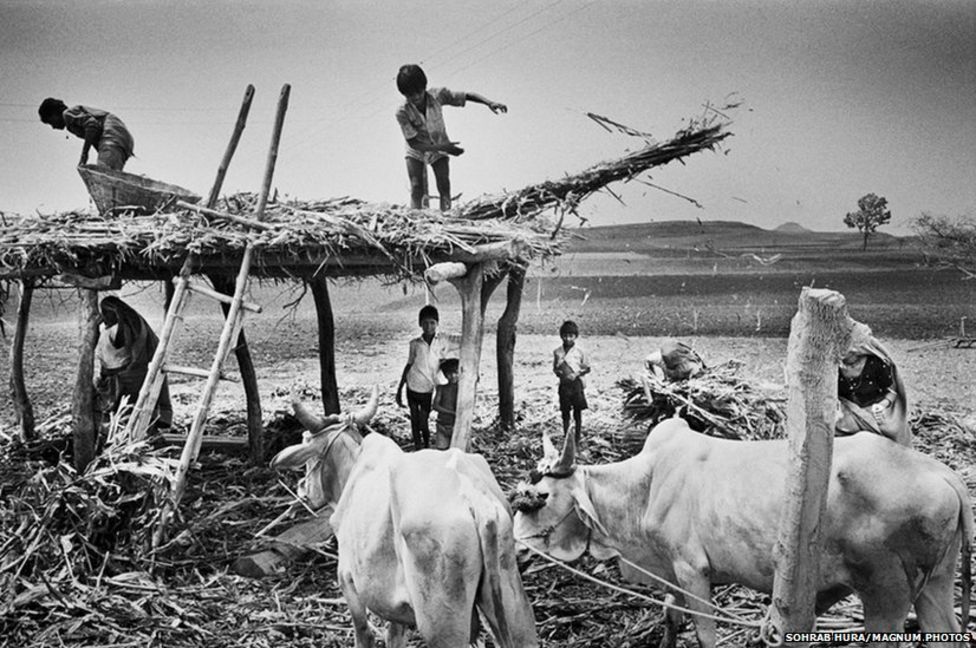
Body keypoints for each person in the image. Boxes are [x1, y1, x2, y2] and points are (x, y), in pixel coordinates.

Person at [395, 63, 507, 211]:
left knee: (444, 184)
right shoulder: (402, 111)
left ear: (424, 87)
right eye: (410, 95)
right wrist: (445, 148)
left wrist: (489, 103)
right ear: (404, 94)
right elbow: (414, 143)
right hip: (417, 149)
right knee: (417, 187)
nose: (415, 97)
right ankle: (415, 218)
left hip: (440, 145)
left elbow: (466, 96)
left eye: (418, 92)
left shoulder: (437, 95)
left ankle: (446, 216)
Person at [93, 296, 172, 432]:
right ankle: (143, 433)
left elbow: (112, 357)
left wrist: (95, 326)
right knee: (143, 406)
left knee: (122, 408)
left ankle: (125, 435)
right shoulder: (136, 322)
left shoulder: (117, 330)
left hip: (129, 375)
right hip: (143, 370)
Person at [396, 305, 460, 450]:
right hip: (412, 385)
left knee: (423, 422)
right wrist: (399, 389)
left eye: (432, 322)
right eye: (425, 323)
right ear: (420, 324)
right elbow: (409, 364)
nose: (428, 326)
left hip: (427, 389)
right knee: (414, 419)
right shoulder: (415, 344)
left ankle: (425, 446)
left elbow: (463, 342)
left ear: (437, 323)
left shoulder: (443, 340)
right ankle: (418, 446)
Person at [835, 323, 909, 446]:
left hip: (875, 407)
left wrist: (882, 406)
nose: (842, 355)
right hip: (848, 409)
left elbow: (891, 392)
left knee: (889, 430)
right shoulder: (835, 366)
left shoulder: (876, 364)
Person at [38, 98, 134, 171]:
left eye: (51, 122)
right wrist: (102, 155)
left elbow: (92, 126)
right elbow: (94, 137)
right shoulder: (72, 121)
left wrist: (84, 155)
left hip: (112, 132)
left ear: (54, 114)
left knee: (103, 174)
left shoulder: (67, 114)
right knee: (110, 173)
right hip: (120, 136)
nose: (53, 127)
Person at [553, 320, 591, 446]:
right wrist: (559, 372)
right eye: (565, 336)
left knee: (577, 411)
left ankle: (577, 438)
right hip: (564, 384)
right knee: (565, 412)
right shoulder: (557, 352)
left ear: (575, 336)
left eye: (571, 336)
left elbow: (587, 368)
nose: (567, 338)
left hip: (576, 384)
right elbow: (555, 368)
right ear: (561, 336)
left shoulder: (580, 352)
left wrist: (575, 374)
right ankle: (566, 437)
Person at [432, 358, 460, 450]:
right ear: (445, 375)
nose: (452, 376)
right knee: (442, 452)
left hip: (457, 427)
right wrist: (451, 413)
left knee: (457, 453)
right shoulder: (441, 388)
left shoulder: (462, 390)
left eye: (455, 372)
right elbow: (435, 406)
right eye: (449, 373)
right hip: (442, 425)